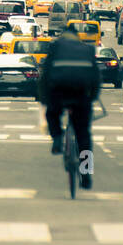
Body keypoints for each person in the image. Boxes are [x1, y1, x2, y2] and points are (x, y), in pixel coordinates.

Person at [39, 23, 100, 184]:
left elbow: (46, 73)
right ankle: (86, 173)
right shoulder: (88, 49)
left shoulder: (55, 47)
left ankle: (57, 138)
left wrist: (44, 97)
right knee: (83, 134)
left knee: (52, 114)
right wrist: (92, 97)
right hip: (81, 93)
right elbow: (95, 76)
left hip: (58, 91)